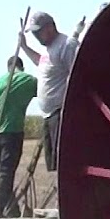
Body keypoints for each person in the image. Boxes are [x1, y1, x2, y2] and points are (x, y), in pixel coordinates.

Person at [18, 11, 79, 172]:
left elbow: (77, 76)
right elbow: (41, 63)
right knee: (54, 165)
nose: (36, 36)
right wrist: (25, 47)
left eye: (38, 32)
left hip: (60, 113)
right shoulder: (48, 49)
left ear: (50, 27)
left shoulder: (67, 45)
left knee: (63, 163)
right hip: (48, 115)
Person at [0, 56, 38, 218]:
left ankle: (12, 210)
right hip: (12, 131)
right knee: (7, 172)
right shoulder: (29, 80)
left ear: (8, 68)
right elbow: (46, 92)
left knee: (3, 174)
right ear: (22, 67)